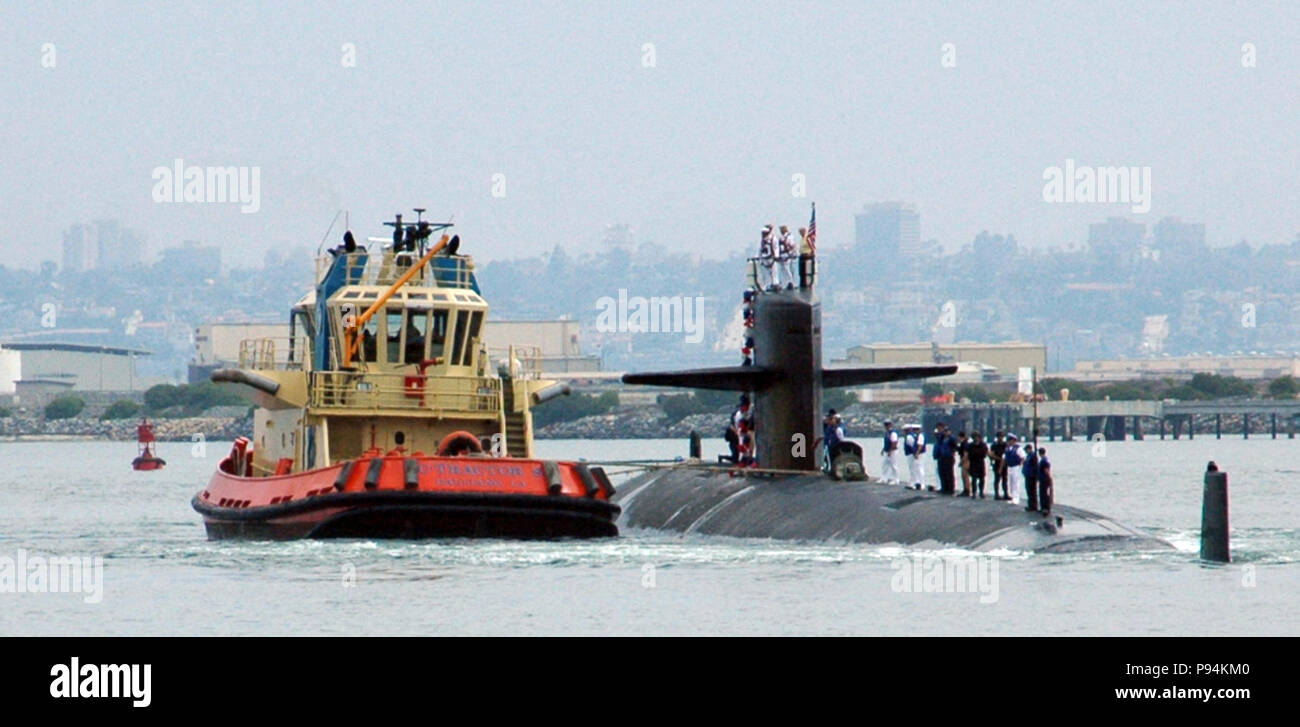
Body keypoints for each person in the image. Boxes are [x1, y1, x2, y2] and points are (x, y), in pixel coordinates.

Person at [931, 422, 956, 494]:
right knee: (942, 473)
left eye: (946, 431)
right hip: (941, 457)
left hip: (948, 457)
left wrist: (952, 453)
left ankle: (950, 489)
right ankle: (944, 488)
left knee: (949, 473)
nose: (945, 432)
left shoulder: (951, 438)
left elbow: (954, 447)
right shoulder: (941, 438)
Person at [903, 424, 926, 490]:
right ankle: (915, 483)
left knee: (919, 468)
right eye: (914, 430)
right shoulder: (916, 436)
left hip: (918, 454)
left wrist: (916, 453)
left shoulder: (920, 436)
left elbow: (919, 446)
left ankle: (921, 483)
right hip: (916, 454)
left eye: (916, 429)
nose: (915, 431)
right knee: (915, 468)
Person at [966, 432, 989, 498]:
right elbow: (968, 455)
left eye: (977, 437)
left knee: (982, 478)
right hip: (973, 463)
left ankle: (981, 491)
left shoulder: (983, 445)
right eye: (975, 437)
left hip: (981, 462)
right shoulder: (970, 445)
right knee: (974, 479)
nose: (976, 438)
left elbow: (986, 453)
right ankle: (974, 492)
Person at [1003, 434, 1024, 504]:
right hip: (1009, 467)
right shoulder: (1007, 448)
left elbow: (1023, 457)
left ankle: (1016, 498)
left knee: (1016, 482)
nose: (1009, 442)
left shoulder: (1018, 448)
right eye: (1009, 440)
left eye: (1011, 440)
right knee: (1011, 482)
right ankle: (1012, 496)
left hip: (1016, 466)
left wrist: (1022, 465)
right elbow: (1004, 458)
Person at [880, 421, 901, 485]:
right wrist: (883, 449)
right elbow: (886, 443)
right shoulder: (887, 433)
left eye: (887, 425)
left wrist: (890, 451)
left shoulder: (893, 433)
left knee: (893, 465)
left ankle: (896, 479)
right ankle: (884, 478)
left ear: (890, 425)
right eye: (885, 425)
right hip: (887, 450)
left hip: (892, 451)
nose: (886, 426)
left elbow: (894, 443)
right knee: (884, 465)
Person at [1022, 443, 1040, 511]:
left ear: (1029, 449)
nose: (1025, 451)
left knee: (1032, 491)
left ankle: (1033, 506)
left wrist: (1036, 476)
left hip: (1031, 476)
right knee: (1029, 491)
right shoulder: (1029, 456)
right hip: (1028, 476)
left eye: (1026, 450)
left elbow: (1035, 467)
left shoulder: (1033, 457)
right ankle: (1030, 505)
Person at [778, 225, 796, 289]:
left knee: (787, 269)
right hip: (782, 255)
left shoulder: (789, 237)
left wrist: (793, 254)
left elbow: (792, 246)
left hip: (787, 255)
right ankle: (784, 283)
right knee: (782, 269)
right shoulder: (782, 237)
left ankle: (790, 282)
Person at [990, 432, 1007, 501]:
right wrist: (998, 459)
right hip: (997, 463)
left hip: (1005, 464)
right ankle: (996, 494)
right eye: (999, 436)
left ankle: (1005, 493)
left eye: (1001, 436)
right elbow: (991, 455)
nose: (1000, 438)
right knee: (997, 479)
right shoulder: (994, 445)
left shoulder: (1005, 444)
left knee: (1004, 479)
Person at [758, 225, 777, 289]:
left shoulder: (773, 239)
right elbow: (760, 250)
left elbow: (775, 247)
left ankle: (775, 283)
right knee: (765, 273)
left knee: (774, 272)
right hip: (764, 259)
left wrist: (776, 256)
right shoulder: (762, 241)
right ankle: (767, 285)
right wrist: (759, 258)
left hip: (772, 258)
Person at [1036, 447, 1053, 514]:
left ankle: (1046, 508)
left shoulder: (1044, 461)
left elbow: (1046, 470)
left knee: (1044, 494)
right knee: (1043, 494)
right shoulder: (1044, 460)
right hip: (1043, 479)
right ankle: (1044, 507)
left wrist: (1049, 478)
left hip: (1044, 479)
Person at [956, 431, 971, 496]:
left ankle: (967, 490)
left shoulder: (964, 444)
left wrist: (961, 462)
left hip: (965, 461)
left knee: (965, 476)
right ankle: (966, 489)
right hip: (965, 460)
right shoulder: (965, 443)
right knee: (964, 476)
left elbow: (966, 454)